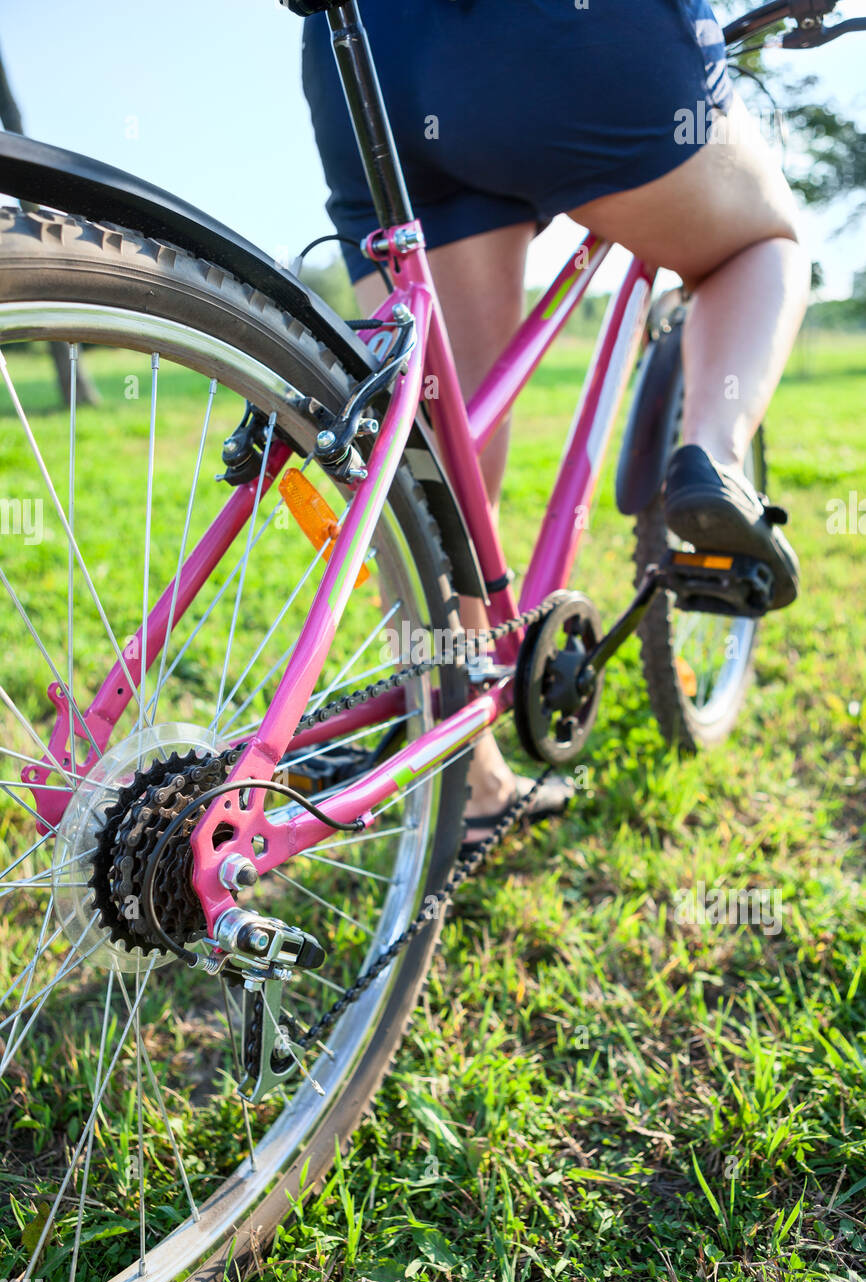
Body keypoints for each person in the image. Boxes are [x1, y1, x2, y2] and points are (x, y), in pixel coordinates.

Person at [301, 0, 809, 843]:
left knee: (437, 476)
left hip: (365, 49)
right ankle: (712, 460)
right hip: (568, 36)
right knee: (757, 242)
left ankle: (471, 777)